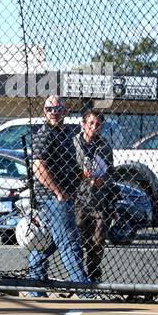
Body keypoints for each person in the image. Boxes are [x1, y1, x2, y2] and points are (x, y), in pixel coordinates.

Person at [27, 95, 90, 294]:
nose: (54, 112)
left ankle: (35, 288)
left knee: (51, 241)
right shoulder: (44, 134)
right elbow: (38, 167)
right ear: (44, 111)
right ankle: (84, 290)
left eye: (58, 109)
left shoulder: (64, 133)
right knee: (70, 243)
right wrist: (58, 192)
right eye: (49, 109)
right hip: (52, 198)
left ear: (65, 111)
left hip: (63, 196)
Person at [72, 108, 114, 282]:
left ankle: (94, 276)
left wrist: (102, 181)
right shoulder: (72, 144)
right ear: (83, 124)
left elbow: (111, 174)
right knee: (77, 241)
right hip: (78, 200)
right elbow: (66, 169)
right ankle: (77, 277)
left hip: (98, 201)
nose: (94, 127)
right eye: (91, 123)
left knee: (97, 243)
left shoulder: (104, 147)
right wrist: (83, 176)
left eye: (98, 125)